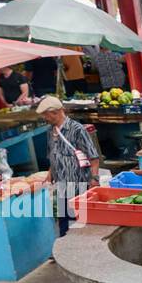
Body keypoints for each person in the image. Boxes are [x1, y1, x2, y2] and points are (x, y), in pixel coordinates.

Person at [38, 95, 99, 237]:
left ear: (55, 112)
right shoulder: (50, 131)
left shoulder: (77, 129)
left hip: (77, 183)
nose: (45, 119)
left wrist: (94, 179)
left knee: (77, 220)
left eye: (46, 115)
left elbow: (93, 157)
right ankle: (66, 248)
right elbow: (52, 155)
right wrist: (49, 175)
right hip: (61, 184)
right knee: (63, 220)